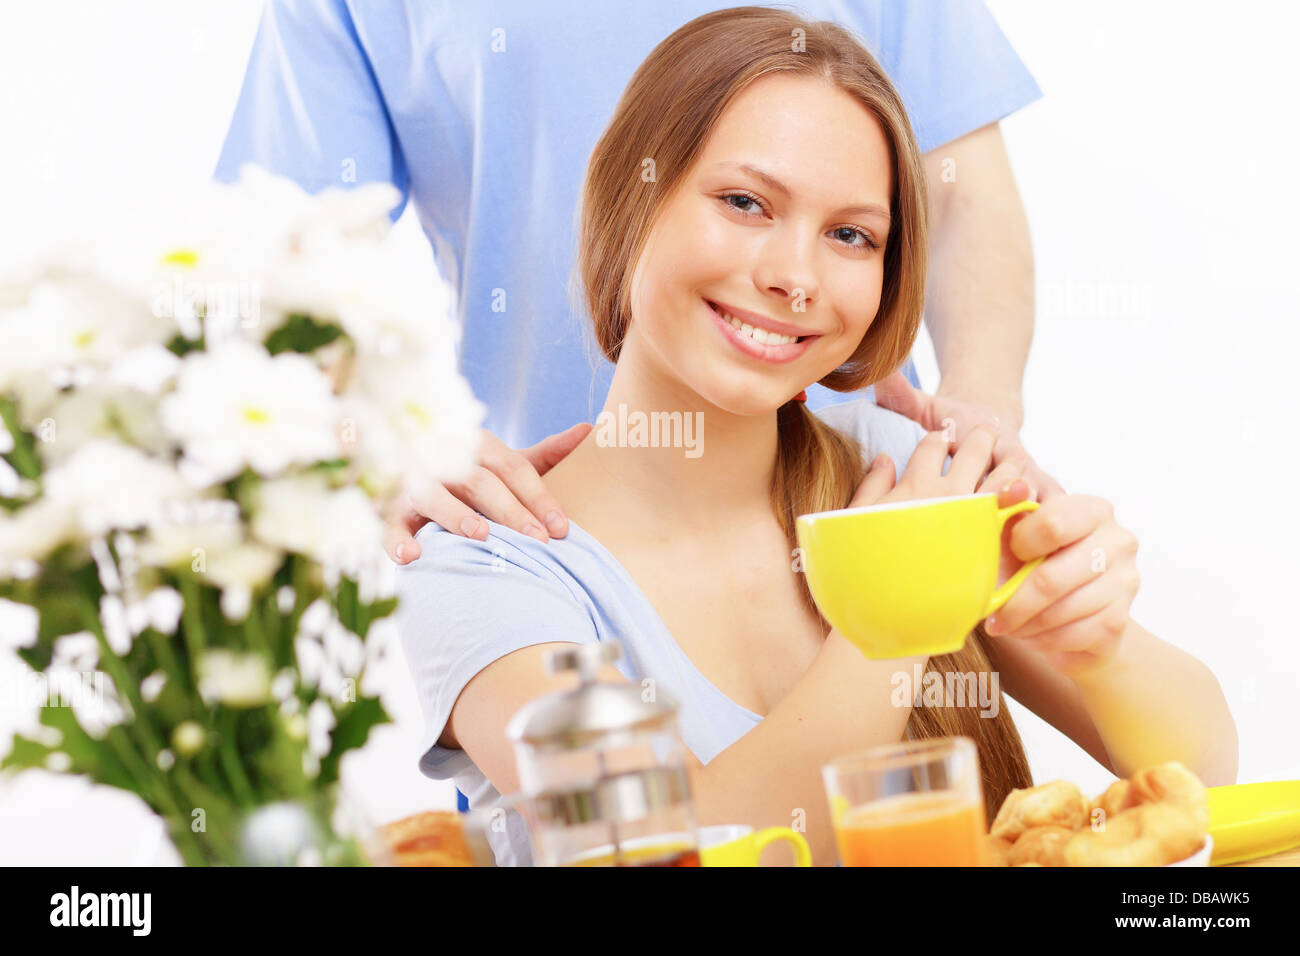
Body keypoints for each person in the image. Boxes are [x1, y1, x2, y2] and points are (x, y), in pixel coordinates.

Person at [394, 8, 1237, 866]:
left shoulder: (901, 467)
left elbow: (1199, 775)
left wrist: (1101, 646)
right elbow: (681, 847)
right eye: (744, 202)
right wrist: (894, 622)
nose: (795, 278)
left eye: (850, 235)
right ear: (628, 198)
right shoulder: (485, 569)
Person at [214, 0, 1064, 558]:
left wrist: (979, 413)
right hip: (551, 538)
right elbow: (279, 252)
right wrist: (382, 445)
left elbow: (957, 198)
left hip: (862, 517)